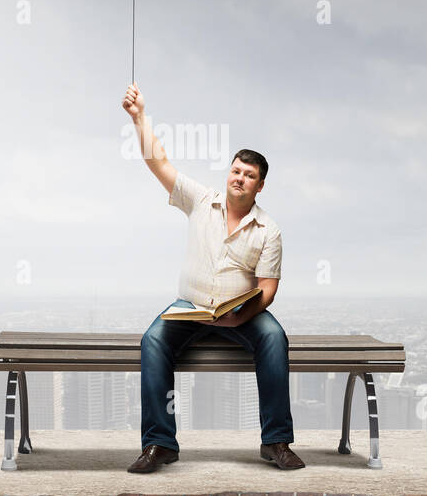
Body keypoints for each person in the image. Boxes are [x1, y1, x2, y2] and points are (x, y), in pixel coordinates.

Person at [120, 82, 304, 473]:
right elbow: (159, 162)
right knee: (153, 339)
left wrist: (241, 315)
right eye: (236, 170)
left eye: (249, 175)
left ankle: (276, 442)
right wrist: (139, 118)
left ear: (260, 184)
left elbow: (267, 290)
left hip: (242, 314)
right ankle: (159, 444)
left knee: (274, 337)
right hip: (191, 307)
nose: (239, 178)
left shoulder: (268, 229)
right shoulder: (201, 201)